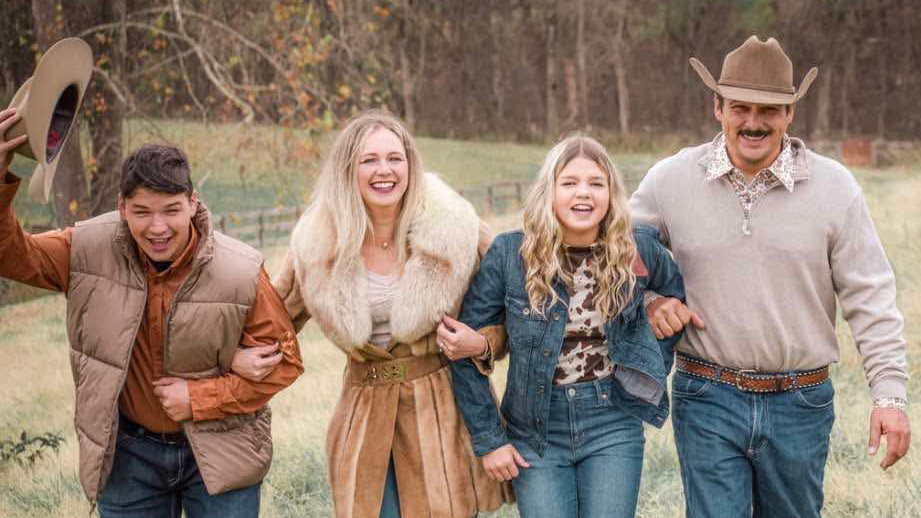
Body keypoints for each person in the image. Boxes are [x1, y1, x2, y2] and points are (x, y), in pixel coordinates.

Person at [630, 36, 911, 518]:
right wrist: (649, 301)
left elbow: (871, 297)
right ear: (717, 107)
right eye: (740, 108)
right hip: (707, 394)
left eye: (769, 110)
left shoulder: (835, 188)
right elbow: (613, 259)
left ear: (790, 113)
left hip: (801, 402)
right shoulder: (669, 181)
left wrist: (890, 397)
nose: (754, 122)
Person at [0, 111, 304, 517]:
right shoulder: (87, 249)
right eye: (142, 211)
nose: (157, 227)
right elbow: (12, 255)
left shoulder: (240, 269)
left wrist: (199, 398)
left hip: (223, 448)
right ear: (122, 206)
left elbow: (285, 364)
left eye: (171, 210)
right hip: (129, 457)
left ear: (193, 203)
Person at [267, 110, 512, 518]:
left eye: (395, 158)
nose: (384, 170)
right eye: (370, 160)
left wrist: (483, 343)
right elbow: (272, 320)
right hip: (362, 420)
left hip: (441, 415)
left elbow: (515, 300)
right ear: (349, 169)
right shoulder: (316, 239)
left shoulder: (455, 225)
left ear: (410, 165)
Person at [445, 135, 685, 518]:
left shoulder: (636, 250)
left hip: (612, 420)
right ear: (549, 191)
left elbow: (674, 301)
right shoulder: (510, 255)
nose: (583, 193)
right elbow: (461, 350)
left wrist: (645, 366)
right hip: (534, 429)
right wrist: (490, 440)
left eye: (596, 183)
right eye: (569, 182)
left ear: (611, 194)